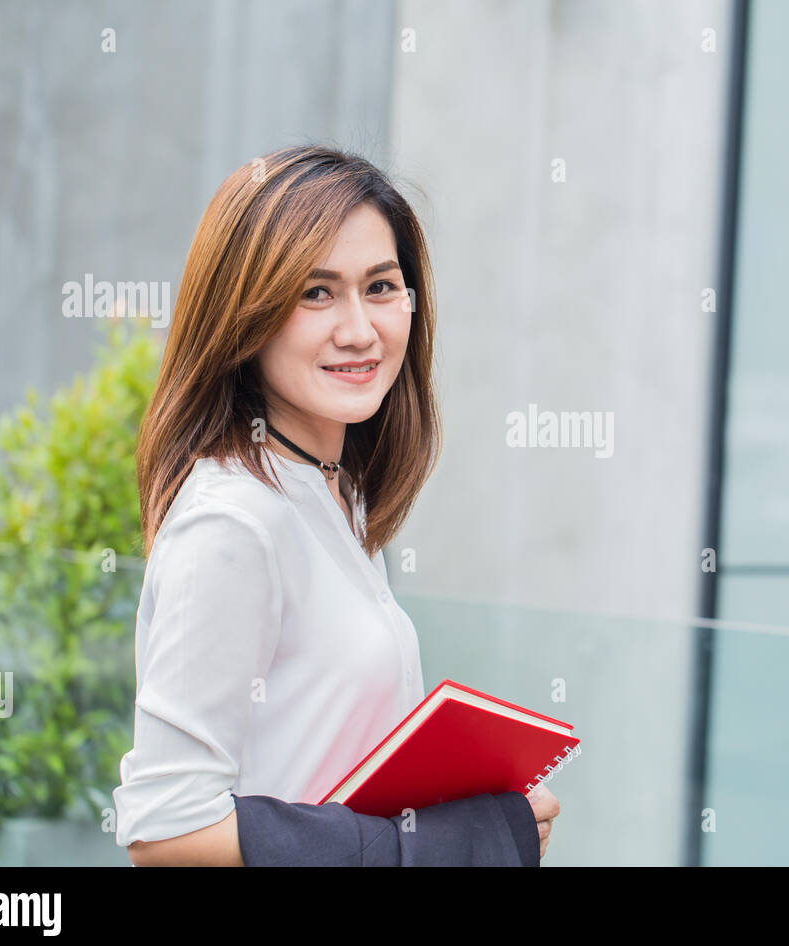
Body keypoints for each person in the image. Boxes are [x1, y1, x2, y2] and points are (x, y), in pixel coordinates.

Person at [113, 145, 559, 865]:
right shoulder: (232, 523)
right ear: (244, 315)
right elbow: (164, 832)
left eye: (380, 286)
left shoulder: (333, 490)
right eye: (315, 293)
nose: (359, 330)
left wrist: (466, 814)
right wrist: (441, 845)